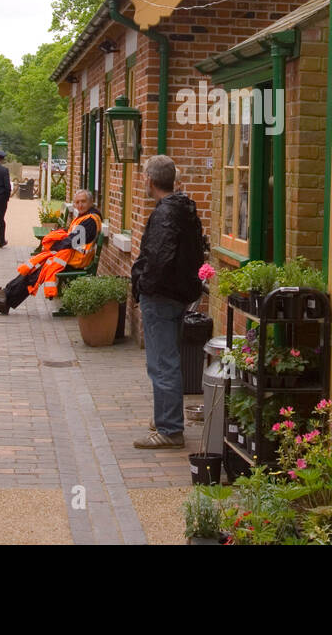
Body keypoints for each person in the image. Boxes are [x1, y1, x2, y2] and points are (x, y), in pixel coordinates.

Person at [130, 155, 203, 449]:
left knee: (162, 363)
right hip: (179, 294)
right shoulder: (185, 208)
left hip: (161, 296)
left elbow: (158, 258)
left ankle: (169, 428)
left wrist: (142, 286)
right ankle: (165, 415)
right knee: (168, 360)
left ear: (149, 180)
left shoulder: (165, 214)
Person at [0, 189, 101, 314]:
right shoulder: (85, 217)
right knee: (34, 268)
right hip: (70, 257)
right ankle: (5, 295)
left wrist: (54, 247)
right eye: (77, 202)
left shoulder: (90, 220)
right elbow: (72, 238)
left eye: (83, 202)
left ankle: (6, 298)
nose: (80, 205)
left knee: (37, 271)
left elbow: (73, 241)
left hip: (76, 260)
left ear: (91, 202)